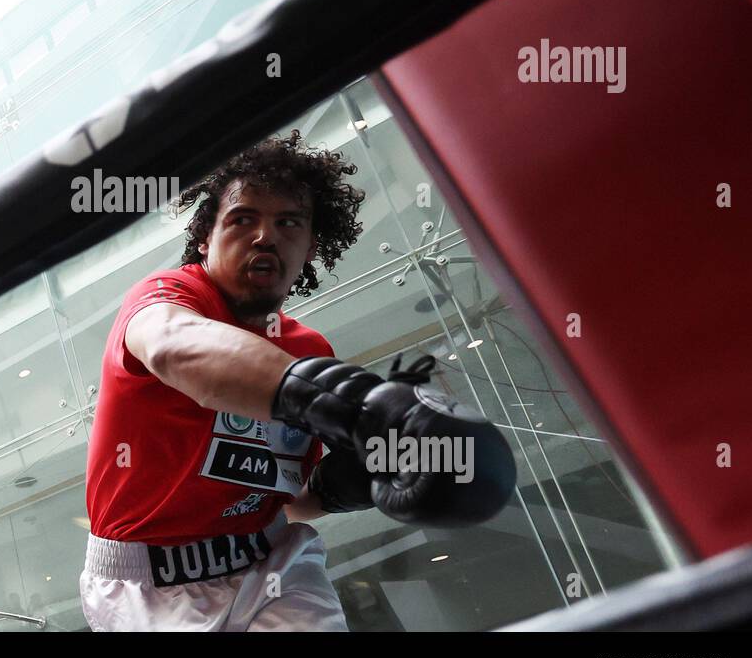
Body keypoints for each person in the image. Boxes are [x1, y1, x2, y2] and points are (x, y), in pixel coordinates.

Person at [80, 131, 515, 632]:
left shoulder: (309, 349)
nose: (265, 236)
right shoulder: (168, 297)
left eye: (288, 223)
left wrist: (350, 483)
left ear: (310, 246)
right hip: (147, 585)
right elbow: (171, 345)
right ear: (205, 238)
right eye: (243, 219)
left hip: (271, 556)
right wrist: (359, 406)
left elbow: (290, 498)